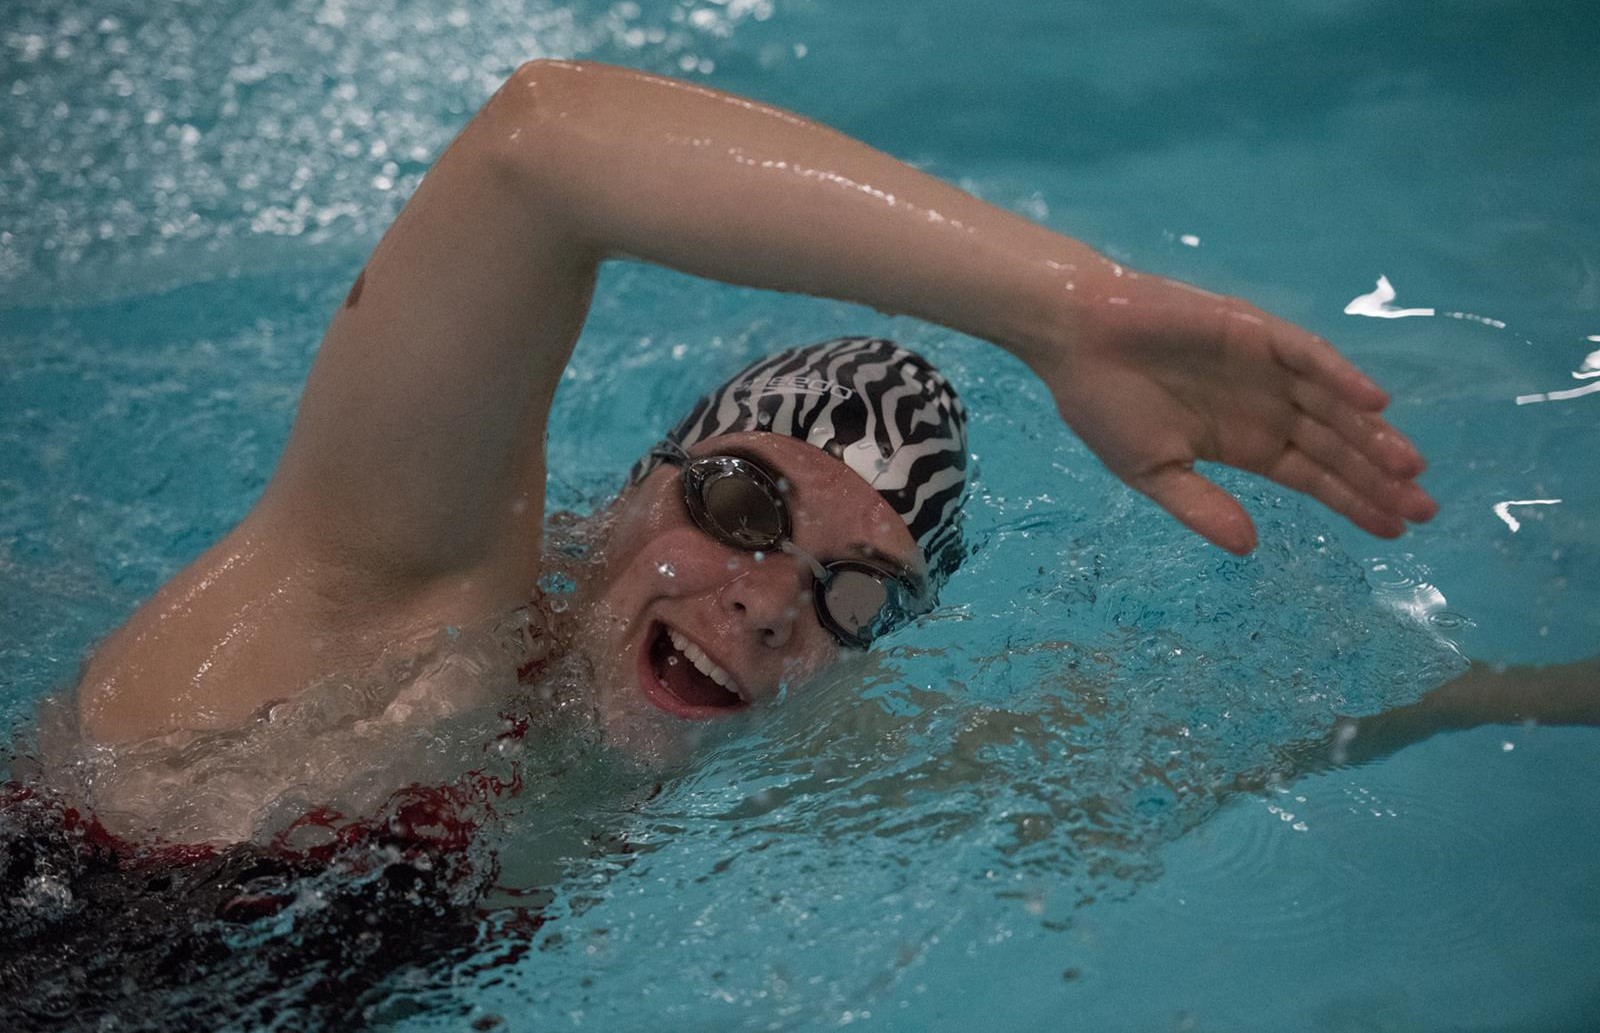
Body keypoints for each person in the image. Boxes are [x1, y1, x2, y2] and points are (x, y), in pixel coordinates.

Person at [61, 59, 1588, 848]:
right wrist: (1062, 308)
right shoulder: (392, 597)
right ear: (620, 497)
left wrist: (1539, 697)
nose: (771, 599)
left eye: (861, 590)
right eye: (738, 503)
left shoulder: (765, 750)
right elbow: (540, 152)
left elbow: (1178, 757)